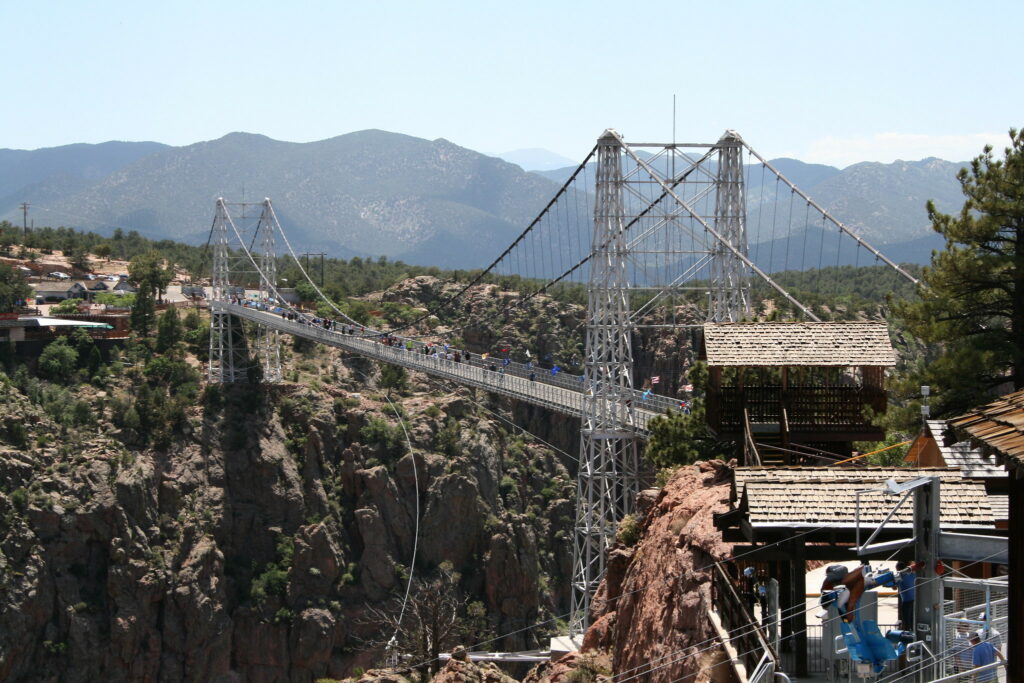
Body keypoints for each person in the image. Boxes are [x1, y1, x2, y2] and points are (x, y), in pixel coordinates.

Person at [894, 561, 916, 630]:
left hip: (906, 601)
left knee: (906, 620)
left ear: (897, 569)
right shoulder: (912, 574)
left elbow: (894, 587)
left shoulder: (899, 576)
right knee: (913, 619)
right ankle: (913, 631)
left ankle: (907, 634)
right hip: (914, 600)